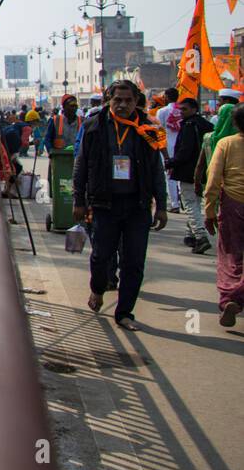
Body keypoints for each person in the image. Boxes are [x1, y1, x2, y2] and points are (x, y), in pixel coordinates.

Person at [73, 79, 168, 331]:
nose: (123, 105)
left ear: (137, 101)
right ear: (109, 100)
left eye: (128, 100)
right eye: (118, 100)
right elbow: (81, 164)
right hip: (104, 204)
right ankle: (97, 288)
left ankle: (124, 312)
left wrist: (161, 205)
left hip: (138, 205)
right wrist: (78, 200)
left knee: (134, 262)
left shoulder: (149, 127)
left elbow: (156, 169)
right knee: (101, 256)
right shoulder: (93, 126)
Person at [204, 103, 244, 327]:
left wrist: (209, 211)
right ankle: (237, 297)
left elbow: (213, 179)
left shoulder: (226, 143)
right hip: (233, 204)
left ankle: (230, 297)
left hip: (233, 205)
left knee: (230, 254)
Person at [167, 96, 213, 255]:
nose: (181, 112)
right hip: (203, 170)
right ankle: (190, 235)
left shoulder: (189, 125)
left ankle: (200, 237)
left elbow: (185, 151)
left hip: (188, 171)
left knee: (190, 204)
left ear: (194, 109)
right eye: (180, 109)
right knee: (195, 203)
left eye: (184, 109)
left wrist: (171, 163)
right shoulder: (206, 124)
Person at [155, 87, 183, 214]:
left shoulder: (162, 111)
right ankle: (182, 200)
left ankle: (174, 204)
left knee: (170, 175)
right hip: (181, 146)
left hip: (167, 147)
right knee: (181, 174)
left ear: (166, 97)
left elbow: (158, 131)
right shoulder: (182, 110)